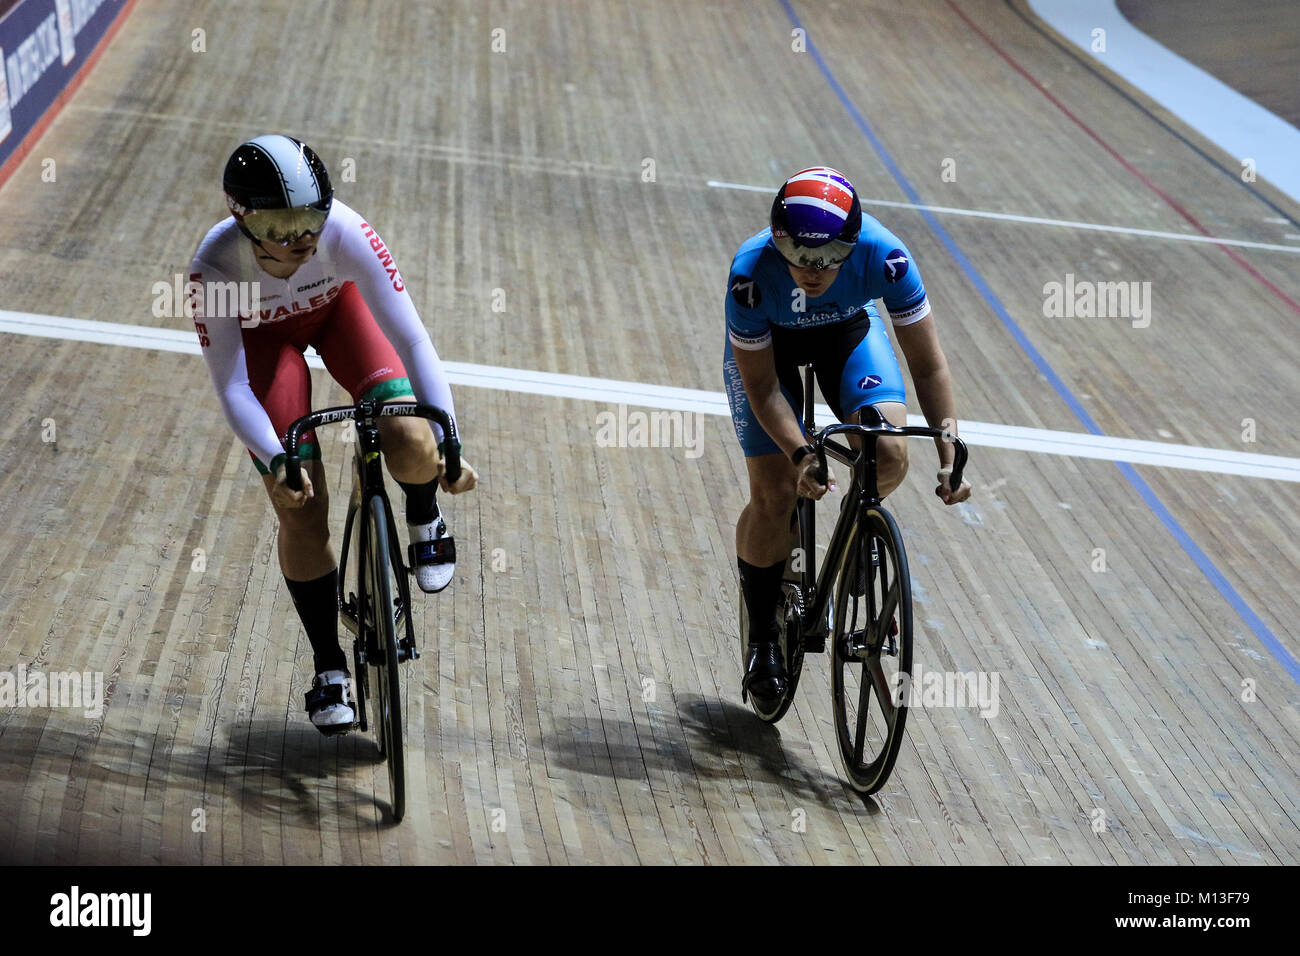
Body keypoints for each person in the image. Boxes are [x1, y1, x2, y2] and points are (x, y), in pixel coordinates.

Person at [189, 134, 477, 735]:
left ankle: (423, 511)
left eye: (310, 218)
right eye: (279, 223)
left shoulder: (346, 232)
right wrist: (276, 461)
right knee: (300, 507)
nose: (299, 238)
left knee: (412, 439)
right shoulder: (215, 266)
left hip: (338, 314)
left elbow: (413, 340)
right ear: (241, 217)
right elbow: (234, 388)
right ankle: (328, 664)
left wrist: (449, 440)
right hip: (267, 348)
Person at [723, 166, 972, 710]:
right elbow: (763, 389)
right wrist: (801, 453)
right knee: (775, 492)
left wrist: (950, 449)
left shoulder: (887, 256)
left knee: (888, 448)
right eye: (798, 254)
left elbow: (928, 367)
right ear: (776, 239)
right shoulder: (751, 274)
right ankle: (764, 637)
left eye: (829, 257)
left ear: (853, 244)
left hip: (846, 334)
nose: (812, 271)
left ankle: (859, 525)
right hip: (773, 354)